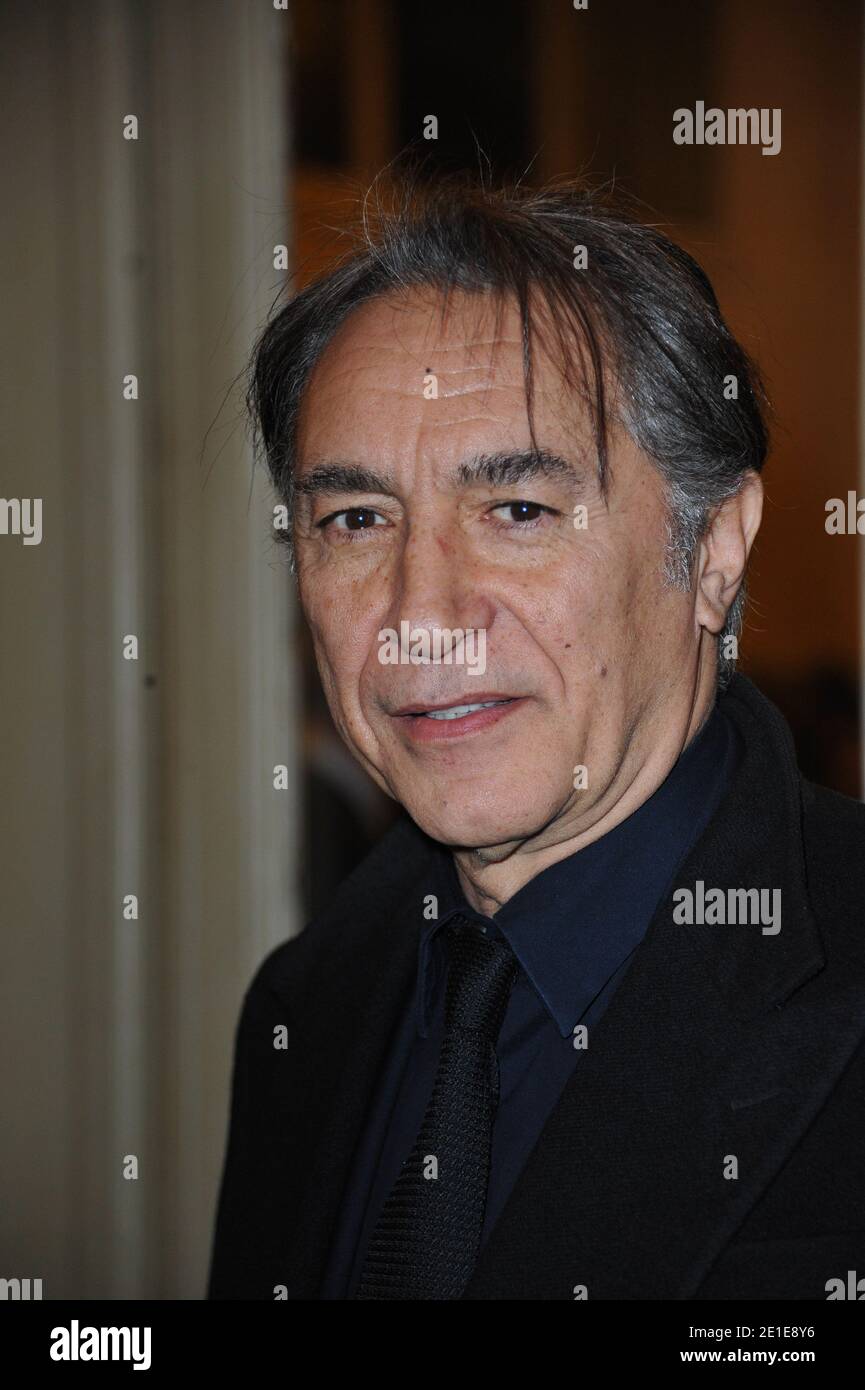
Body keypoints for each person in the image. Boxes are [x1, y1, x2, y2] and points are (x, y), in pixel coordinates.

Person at [207, 174, 865, 1300]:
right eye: (355, 520)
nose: (421, 612)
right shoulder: (301, 1009)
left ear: (713, 550)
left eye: (516, 511)